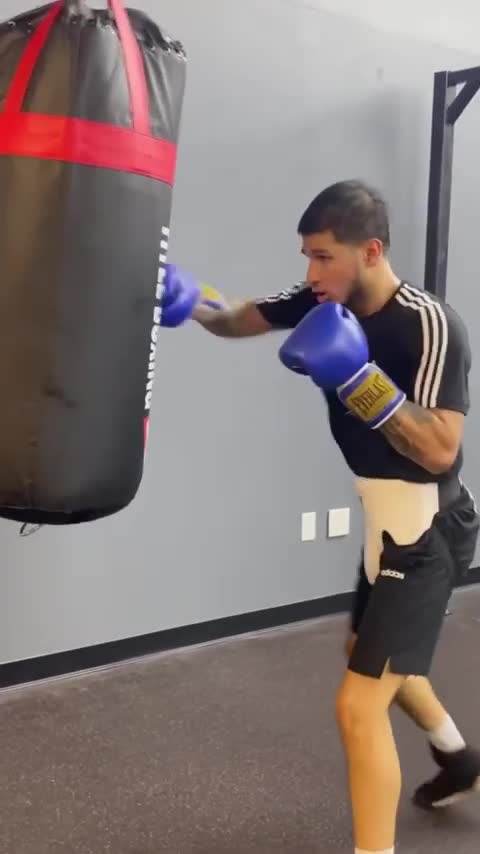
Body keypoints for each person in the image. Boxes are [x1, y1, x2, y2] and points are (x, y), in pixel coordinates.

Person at [163, 179, 480, 854]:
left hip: (428, 530)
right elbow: (242, 315)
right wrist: (194, 300)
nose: (310, 274)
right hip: (383, 524)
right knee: (363, 654)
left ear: (368, 252)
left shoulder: (429, 323)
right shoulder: (321, 298)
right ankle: (458, 757)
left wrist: (360, 381)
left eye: (322, 257)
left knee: (357, 705)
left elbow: (440, 448)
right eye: (306, 257)